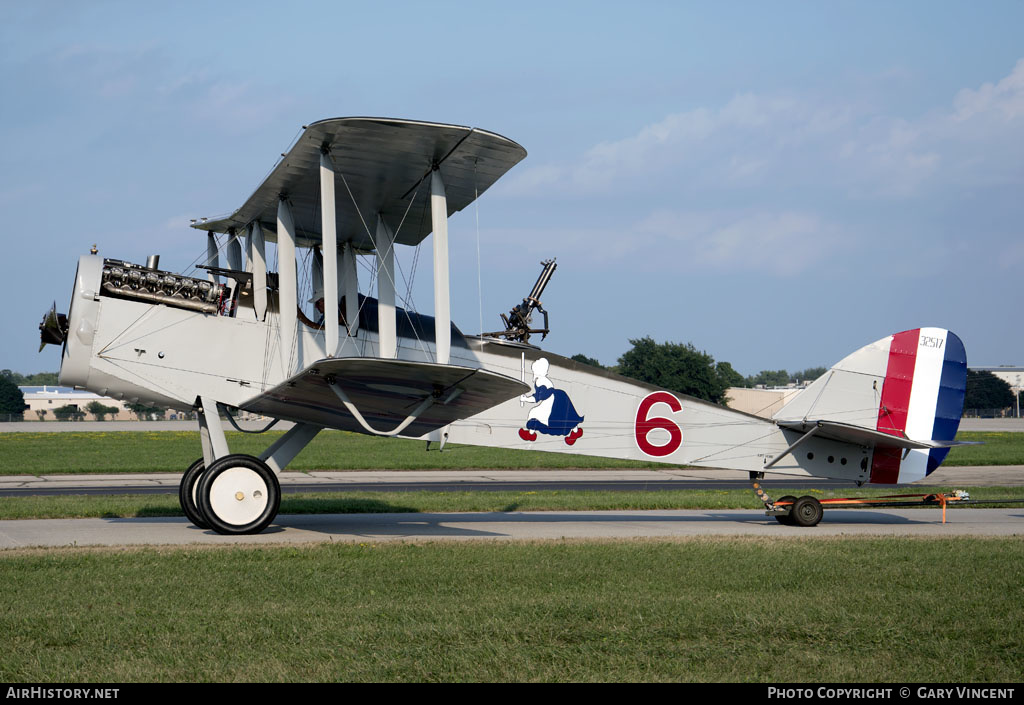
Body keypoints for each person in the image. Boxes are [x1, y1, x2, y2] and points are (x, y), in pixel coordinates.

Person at [518, 358, 584, 446]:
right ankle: (575, 432)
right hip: (558, 397)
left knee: (534, 413)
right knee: (567, 415)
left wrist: (525, 399)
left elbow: (539, 396)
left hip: (550, 402)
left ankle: (530, 434)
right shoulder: (545, 380)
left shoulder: (540, 380)